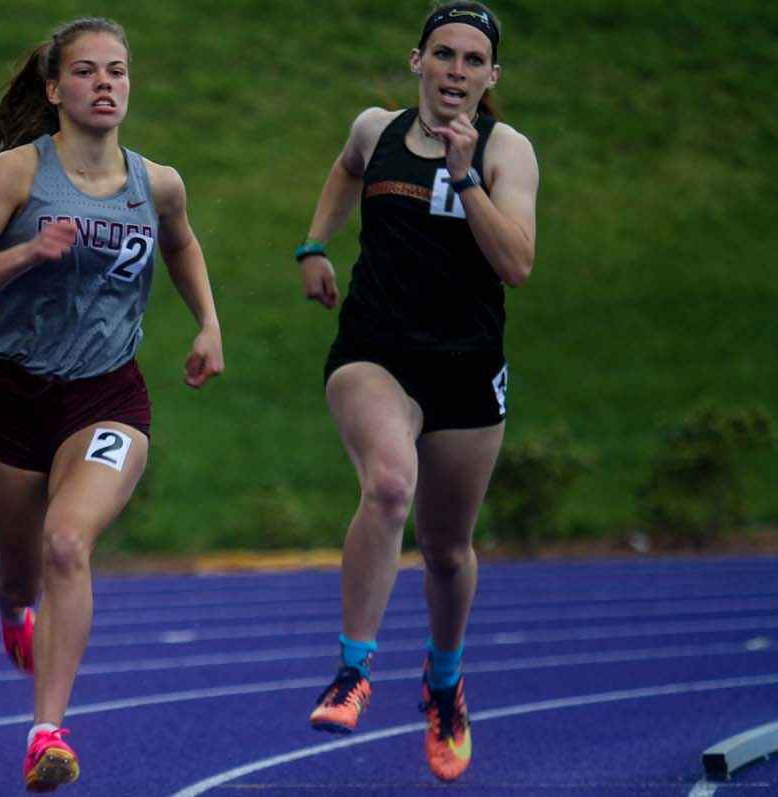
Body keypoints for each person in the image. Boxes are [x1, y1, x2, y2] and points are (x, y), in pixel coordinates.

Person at [0, 16, 223, 793]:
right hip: (11, 396)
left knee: (68, 542)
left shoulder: (156, 181)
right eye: (89, 71)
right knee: (24, 574)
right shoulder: (16, 176)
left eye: (119, 71)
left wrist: (208, 321)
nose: (106, 83)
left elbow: (181, 241)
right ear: (56, 89)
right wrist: (28, 251)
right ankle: (10, 594)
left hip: (106, 395)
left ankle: (46, 732)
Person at [293, 0, 537, 783]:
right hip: (376, 351)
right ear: (417, 62)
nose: (455, 72)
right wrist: (313, 244)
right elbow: (345, 167)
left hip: (466, 366)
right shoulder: (378, 129)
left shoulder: (509, 153)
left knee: (446, 548)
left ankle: (443, 682)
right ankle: (355, 667)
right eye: (443, 55)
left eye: (472, 60)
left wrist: (466, 179)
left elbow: (517, 263)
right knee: (389, 482)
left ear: (491, 75)